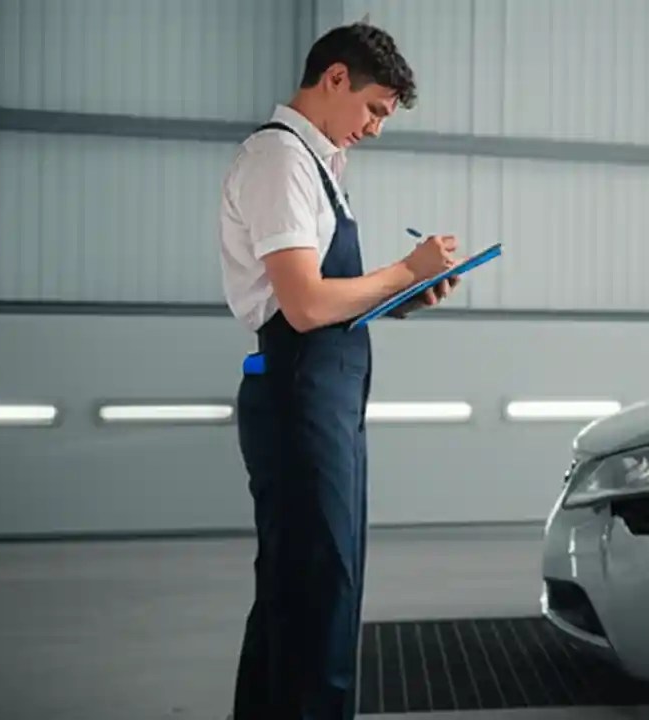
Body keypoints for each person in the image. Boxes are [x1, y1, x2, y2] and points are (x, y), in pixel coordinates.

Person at [217, 21, 458, 719]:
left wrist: (401, 297)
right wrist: (403, 270)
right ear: (334, 80)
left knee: (305, 589)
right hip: (299, 394)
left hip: (320, 394)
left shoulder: (316, 167)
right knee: (316, 592)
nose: (377, 128)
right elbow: (303, 303)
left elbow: (327, 305)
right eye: (375, 108)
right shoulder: (280, 160)